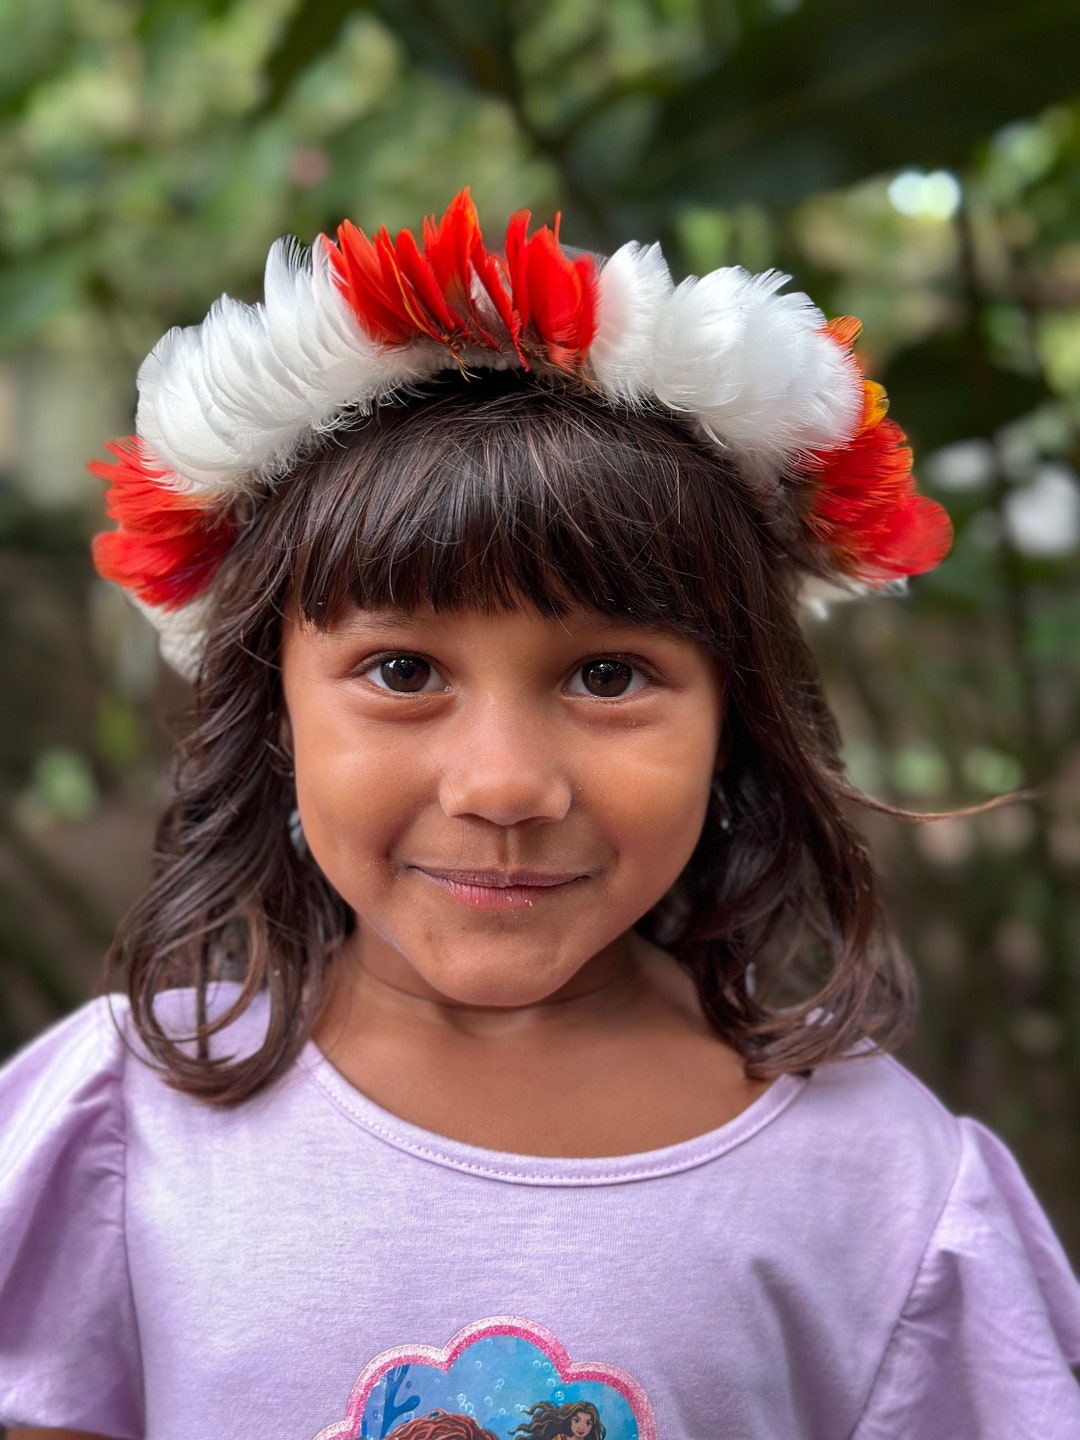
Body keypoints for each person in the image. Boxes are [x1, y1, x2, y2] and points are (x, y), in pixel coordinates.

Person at [0, 189, 1077, 1440]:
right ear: (272, 707)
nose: (504, 785)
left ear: (738, 717)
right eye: (403, 672)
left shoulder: (888, 1190)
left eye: (609, 676)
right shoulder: (114, 1128)